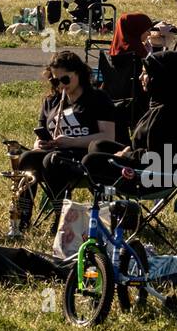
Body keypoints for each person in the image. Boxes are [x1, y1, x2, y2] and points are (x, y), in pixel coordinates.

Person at [12, 51, 118, 222]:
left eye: (65, 79)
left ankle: (60, 217)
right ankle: (21, 217)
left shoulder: (97, 98)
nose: (61, 85)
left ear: (79, 74)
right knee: (27, 158)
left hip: (83, 156)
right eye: (55, 80)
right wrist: (39, 143)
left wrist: (71, 142)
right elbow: (42, 132)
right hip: (56, 151)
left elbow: (108, 136)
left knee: (52, 161)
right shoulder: (51, 101)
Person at [81, 50, 177, 196]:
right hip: (145, 166)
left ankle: (114, 209)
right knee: (98, 145)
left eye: (145, 73)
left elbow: (158, 156)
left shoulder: (167, 113)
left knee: (91, 162)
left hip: (152, 177)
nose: (140, 78)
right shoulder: (164, 102)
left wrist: (128, 155)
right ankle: (108, 204)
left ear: (160, 77)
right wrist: (129, 152)